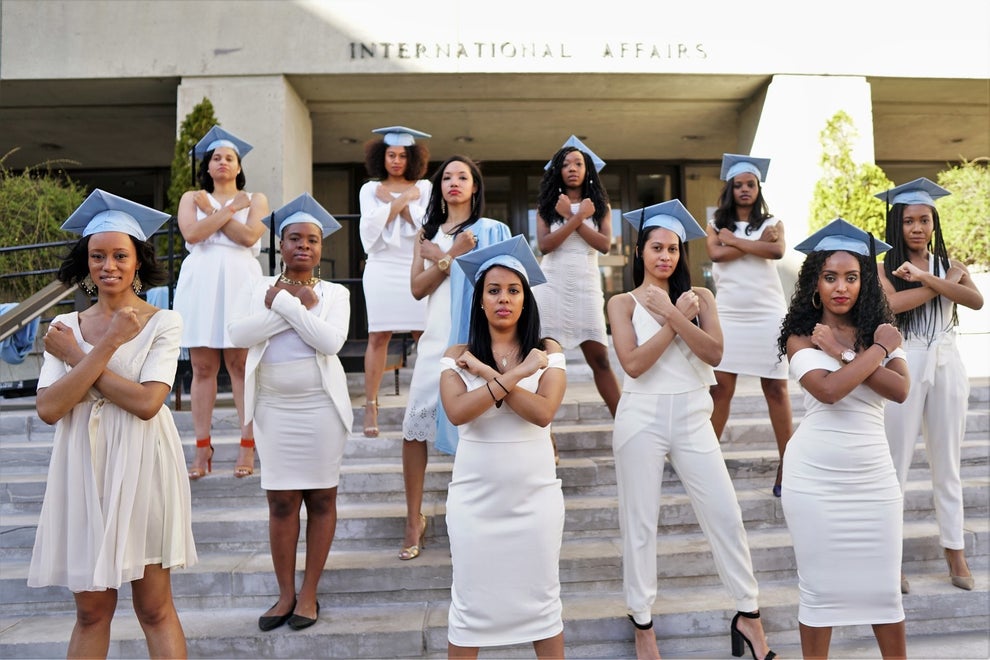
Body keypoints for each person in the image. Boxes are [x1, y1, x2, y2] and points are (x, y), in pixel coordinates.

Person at [28, 189, 197, 658]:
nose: (109, 265)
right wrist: (101, 347)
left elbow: (147, 403)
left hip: (144, 465)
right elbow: (49, 408)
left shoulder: (164, 322)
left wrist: (80, 359)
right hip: (84, 467)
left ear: (137, 261)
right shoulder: (65, 327)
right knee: (91, 612)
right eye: (97, 255)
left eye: (120, 255)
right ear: (86, 262)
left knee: (155, 608)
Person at [607, 200, 774, 660]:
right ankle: (642, 623)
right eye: (657, 247)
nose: (666, 256)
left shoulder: (700, 297)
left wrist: (678, 314)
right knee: (639, 523)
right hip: (640, 416)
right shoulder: (621, 302)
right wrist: (667, 317)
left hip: (691, 417)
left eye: (673, 249)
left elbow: (716, 355)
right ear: (640, 251)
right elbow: (634, 365)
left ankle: (749, 614)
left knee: (726, 514)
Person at [777, 218, 910, 659]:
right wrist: (870, 352)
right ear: (815, 283)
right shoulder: (802, 337)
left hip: (873, 479)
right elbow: (830, 391)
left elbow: (900, 391)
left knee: (885, 593)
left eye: (851, 277)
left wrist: (847, 352)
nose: (841, 286)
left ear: (864, 282)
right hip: (815, 480)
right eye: (830, 277)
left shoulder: (881, 331)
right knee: (819, 593)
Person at [227, 193, 353, 631]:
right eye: (295, 238)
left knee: (321, 497)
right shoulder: (254, 286)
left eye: (312, 240)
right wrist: (294, 306)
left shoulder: (336, 293)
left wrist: (281, 303)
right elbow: (240, 333)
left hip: (321, 409)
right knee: (281, 501)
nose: (304, 246)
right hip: (274, 410)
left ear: (322, 248)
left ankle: (310, 593)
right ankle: (284, 595)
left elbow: (330, 342)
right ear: (280, 244)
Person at [440, 235, 566, 659]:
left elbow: (543, 412)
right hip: (475, 502)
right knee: (470, 607)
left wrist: (490, 375)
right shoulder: (457, 355)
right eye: (493, 291)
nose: (504, 299)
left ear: (526, 299)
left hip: (535, 502)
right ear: (479, 301)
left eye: (514, 290)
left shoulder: (547, 351)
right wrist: (514, 374)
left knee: (542, 605)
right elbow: (458, 412)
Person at [399, 155, 511, 560]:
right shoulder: (427, 233)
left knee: (477, 427)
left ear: (475, 187)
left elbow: (502, 283)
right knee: (415, 429)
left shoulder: (491, 229)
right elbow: (416, 289)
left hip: (475, 338)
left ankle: (478, 515)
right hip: (435, 341)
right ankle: (414, 519)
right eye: (446, 177)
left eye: (463, 177)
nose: (454, 183)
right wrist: (448, 255)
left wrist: (446, 256)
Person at [876, 178, 984, 594]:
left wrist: (935, 277)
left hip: (947, 361)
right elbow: (893, 304)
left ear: (934, 223)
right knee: (895, 462)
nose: (917, 228)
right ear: (896, 226)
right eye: (909, 221)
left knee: (948, 462)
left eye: (924, 219)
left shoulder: (948, 262)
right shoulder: (884, 268)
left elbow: (975, 301)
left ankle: (954, 549)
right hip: (905, 359)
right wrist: (944, 282)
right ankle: (891, 556)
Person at [173, 125, 270, 480]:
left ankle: (248, 443)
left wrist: (215, 211)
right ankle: (202, 447)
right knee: (201, 367)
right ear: (208, 166)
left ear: (239, 166)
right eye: (216, 158)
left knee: (240, 364)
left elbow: (247, 237)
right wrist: (226, 209)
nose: (222, 162)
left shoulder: (255, 200)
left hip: (239, 283)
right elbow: (193, 234)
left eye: (229, 157)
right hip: (201, 283)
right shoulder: (191, 198)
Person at [705, 154, 792, 497]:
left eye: (750, 184)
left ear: (758, 188)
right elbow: (716, 255)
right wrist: (756, 244)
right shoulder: (715, 223)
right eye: (738, 185)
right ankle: (706, 467)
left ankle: (788, 465)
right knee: (721, 389)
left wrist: (735, 240)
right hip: (729, 315)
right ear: (730, 189)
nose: (744, 190)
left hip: (768, 314)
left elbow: (778, 252)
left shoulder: (774, 221)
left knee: (777, 389)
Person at [533, 135, 621, 418]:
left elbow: (604, 244)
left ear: (588, 170)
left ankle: (626, 425)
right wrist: (574, 218)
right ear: (557, 170)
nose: (572, 168)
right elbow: (545, 246)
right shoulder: (547, 207)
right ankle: (543, 433)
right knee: (544, 361)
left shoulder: (599, 206)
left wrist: (579, 216)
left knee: (601, 360)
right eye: (566, 163)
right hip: (551, 286)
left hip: (586, 286)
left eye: (578, 163)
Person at [359, 126, 432, 437]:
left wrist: (392, 203)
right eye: (391, 155)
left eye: (403, 155)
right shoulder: (368, 189)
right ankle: (371, 405)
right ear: (382, 156)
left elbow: (424, 226)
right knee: (378, 336)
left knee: (425, 335)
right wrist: (403, 201)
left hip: (416, 263)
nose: (397, 161)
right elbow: (369, 231)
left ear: (412, 157)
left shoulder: (426, 187)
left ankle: (428, 403)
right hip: (381, 266)